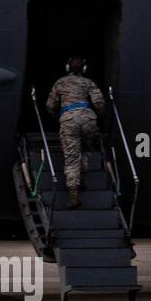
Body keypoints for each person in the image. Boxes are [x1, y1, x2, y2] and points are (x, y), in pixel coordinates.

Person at [45, 57, 106, 208]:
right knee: (85, 149)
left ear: (68, 68)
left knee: (72, 157)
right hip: (88, 120)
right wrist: (99, 117)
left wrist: (57, 116)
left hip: (69, 121)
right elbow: (99, 103)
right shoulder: (88, 82)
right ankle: (82, 178)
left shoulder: (60, 83)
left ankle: (74, 196)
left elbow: (50, 105)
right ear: (84, 68)